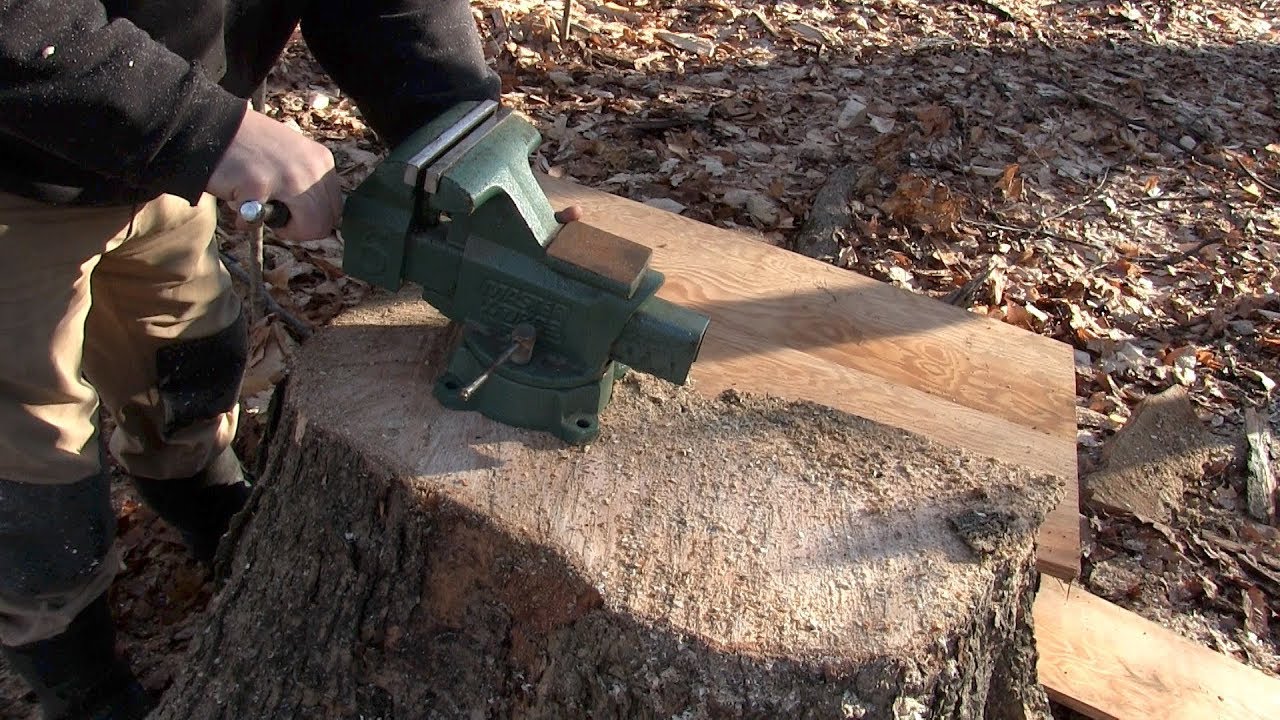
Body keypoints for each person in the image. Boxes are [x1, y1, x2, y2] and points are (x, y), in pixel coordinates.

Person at [0, 2, 505, 718]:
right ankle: (69, 663)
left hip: (156, 156)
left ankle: (207, 509)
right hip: (17, 165)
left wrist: (462, 136)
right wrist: (209, 129)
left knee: (184, 351)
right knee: (30, 443)